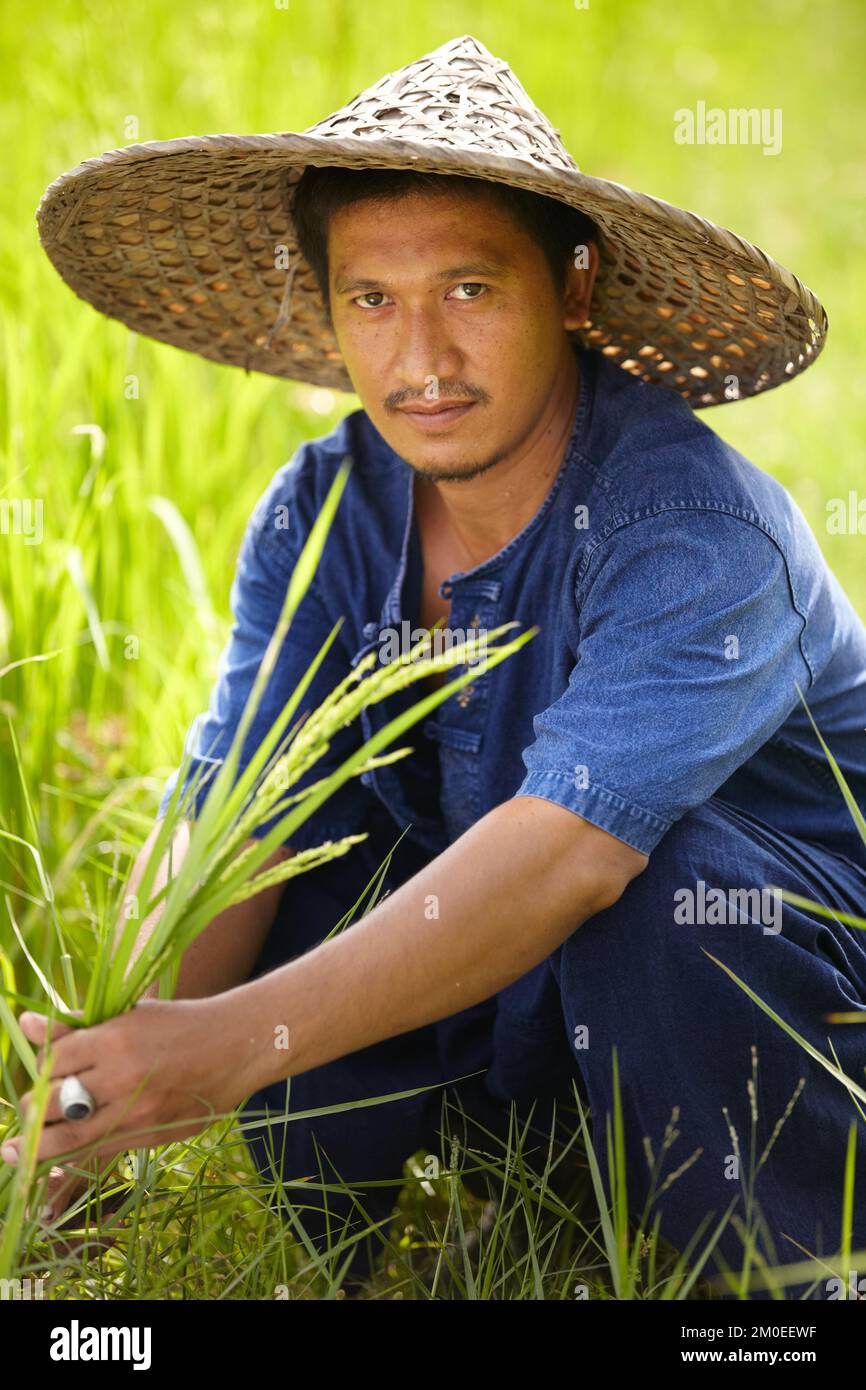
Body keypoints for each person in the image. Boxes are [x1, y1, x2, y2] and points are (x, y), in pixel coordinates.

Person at [18, 34, 866, 1298]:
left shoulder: (688, 531)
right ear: (326, 310)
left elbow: (566, 853)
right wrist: (85, 1099)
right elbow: (237, 818)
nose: (419, 360)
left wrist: (223, 1049)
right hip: (526, 1023)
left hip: (760, 1018)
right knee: (315, 842)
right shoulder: (320, 513)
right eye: (371, 299)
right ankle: (389, 1255)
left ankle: (782, 1282)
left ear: (571, 290)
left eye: (469, 289)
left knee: (658, 881)